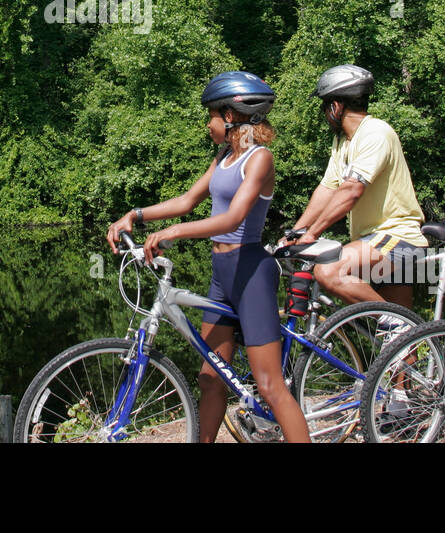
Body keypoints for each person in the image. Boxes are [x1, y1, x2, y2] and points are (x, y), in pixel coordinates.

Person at [105, 70, 309, 443]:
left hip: (251, 272)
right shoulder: (224, 156)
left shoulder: (259, 160)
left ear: (230, 116)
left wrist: (174, 233)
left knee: (269, 385)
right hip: (221, 273)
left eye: (210, 116)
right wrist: (134, 216)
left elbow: (232, 219)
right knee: (210, 377)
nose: (208, 124)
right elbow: (187, 201)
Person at [282, 65, 428, 309]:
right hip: (375, 241)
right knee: (402, 341)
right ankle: (403, 334)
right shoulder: (343, 142)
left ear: (336, 106)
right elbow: (327, 190)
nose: (324, 113)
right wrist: (295, 233)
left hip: (398, 239)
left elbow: (351, 190)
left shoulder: (375, 133)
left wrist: (312, 234)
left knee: (328, 271)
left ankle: (395, 326)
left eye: (324, 106)